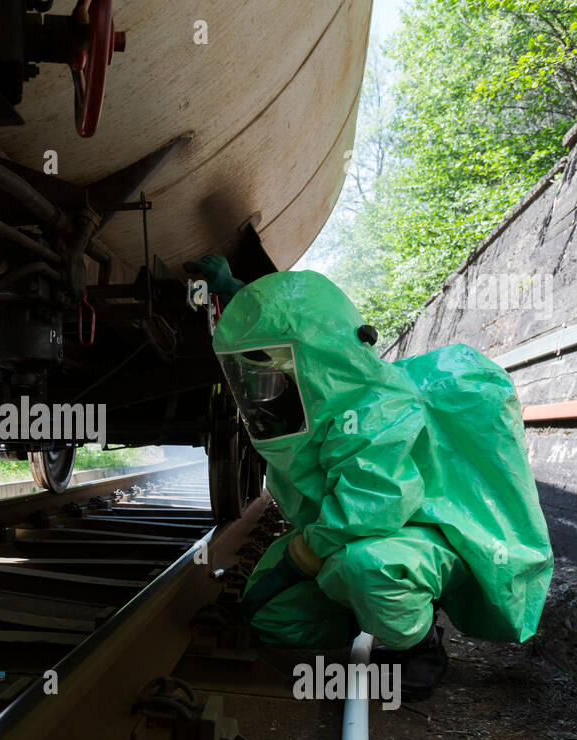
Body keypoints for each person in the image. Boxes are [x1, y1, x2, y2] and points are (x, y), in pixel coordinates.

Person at [190, 256, 553, 699]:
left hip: (420, 538)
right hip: (358, 538)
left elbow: (373, 505)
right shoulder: (318, 404)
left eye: (275, 371)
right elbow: (291, 321)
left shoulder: (375, 411)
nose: (266, 387)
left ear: (311, 360)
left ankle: (420, 653)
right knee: (276, 619)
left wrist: (296, 561)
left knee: (370, 569)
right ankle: (362, 615)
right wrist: (238, 295)